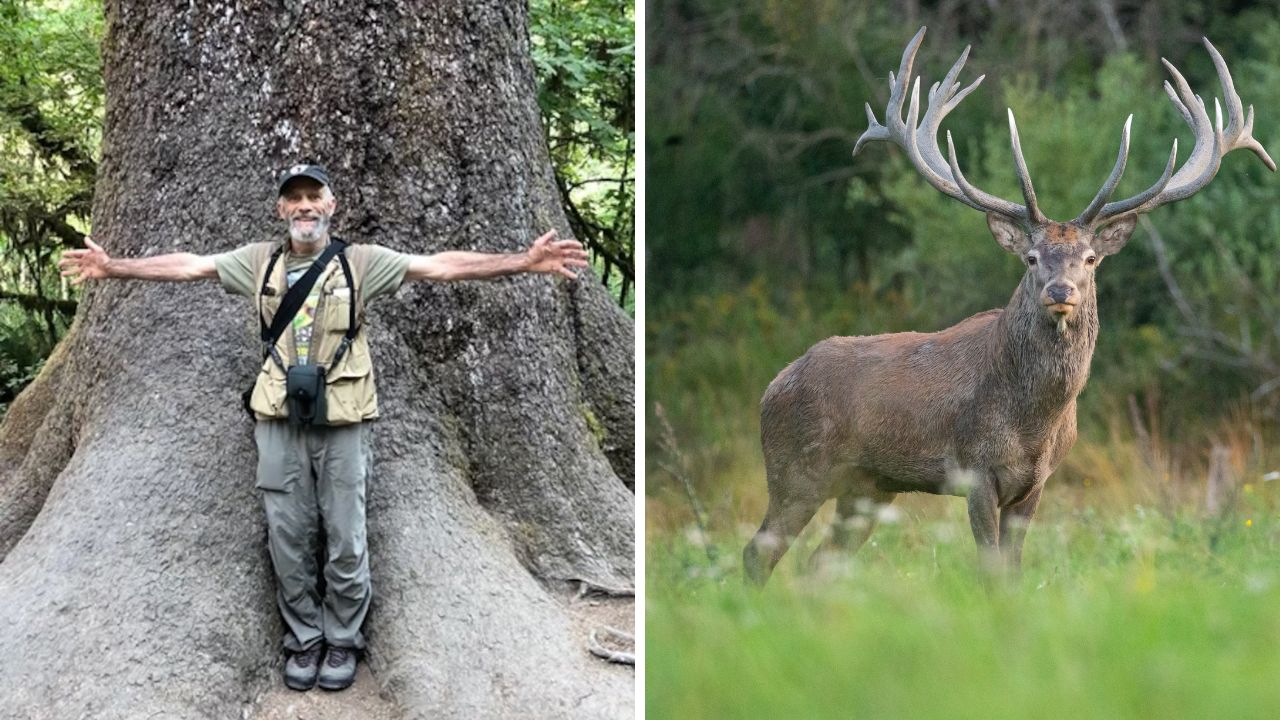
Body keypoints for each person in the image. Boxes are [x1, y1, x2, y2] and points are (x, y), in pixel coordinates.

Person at [58, 163, 589, 692]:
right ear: (281, 209)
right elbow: (188, 266)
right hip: (278, 416)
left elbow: (442, 267)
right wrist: (113, 267)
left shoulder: (362, 263)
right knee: (287, 535)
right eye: (295, 198)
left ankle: (343, 639)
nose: (305, 206)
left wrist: (523, 261)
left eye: (315, 196)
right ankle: (304, 639)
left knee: (346, 536)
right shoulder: (257, 262)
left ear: (331, 206)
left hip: (344, 417)